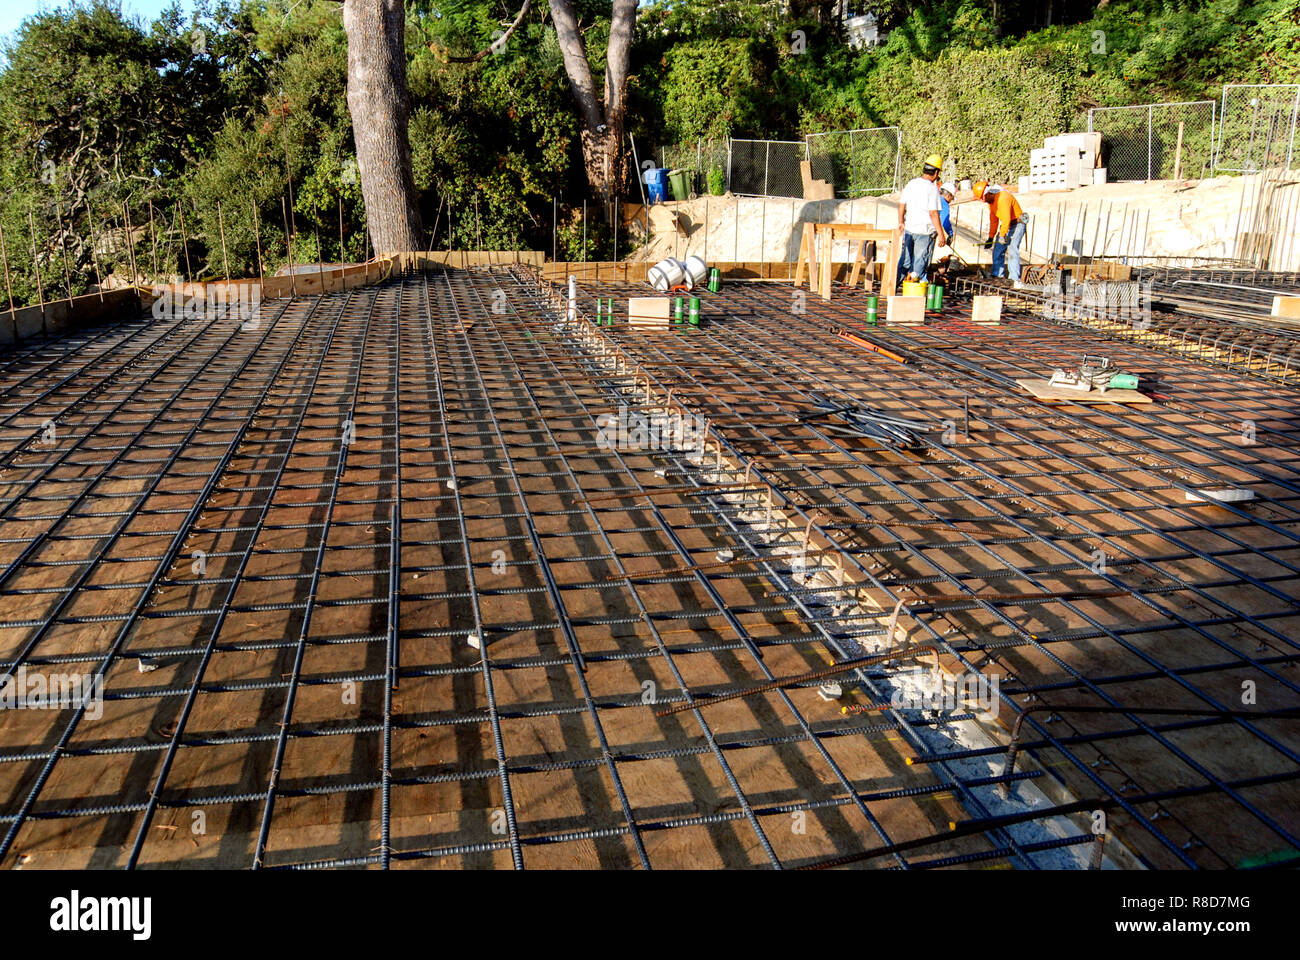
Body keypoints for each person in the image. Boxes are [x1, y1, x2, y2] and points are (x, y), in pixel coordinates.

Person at [896, 154, 949, 284]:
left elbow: (902, 205)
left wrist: (901, 222)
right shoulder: (932, 189)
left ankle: (895, 286)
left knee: (905, 260)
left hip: (910, 229)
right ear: (936, 172)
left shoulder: (912, 184)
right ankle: (915, 293)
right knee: (920, 263)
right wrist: (941, 234)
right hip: (925, 232)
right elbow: (933, 213)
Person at [974, 180, 1027, 282]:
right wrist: (990, 237)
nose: (983, 201)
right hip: (1006, 226)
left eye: (983, 198)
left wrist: (1002, 235)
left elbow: (1006, 218)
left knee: (1012, 249)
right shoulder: (991, 203)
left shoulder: (1003, 197)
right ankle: (997, 275)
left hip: (1017, 224)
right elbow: (994, 221)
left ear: (988, 193)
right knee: (998, 250)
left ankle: (1014, 279)